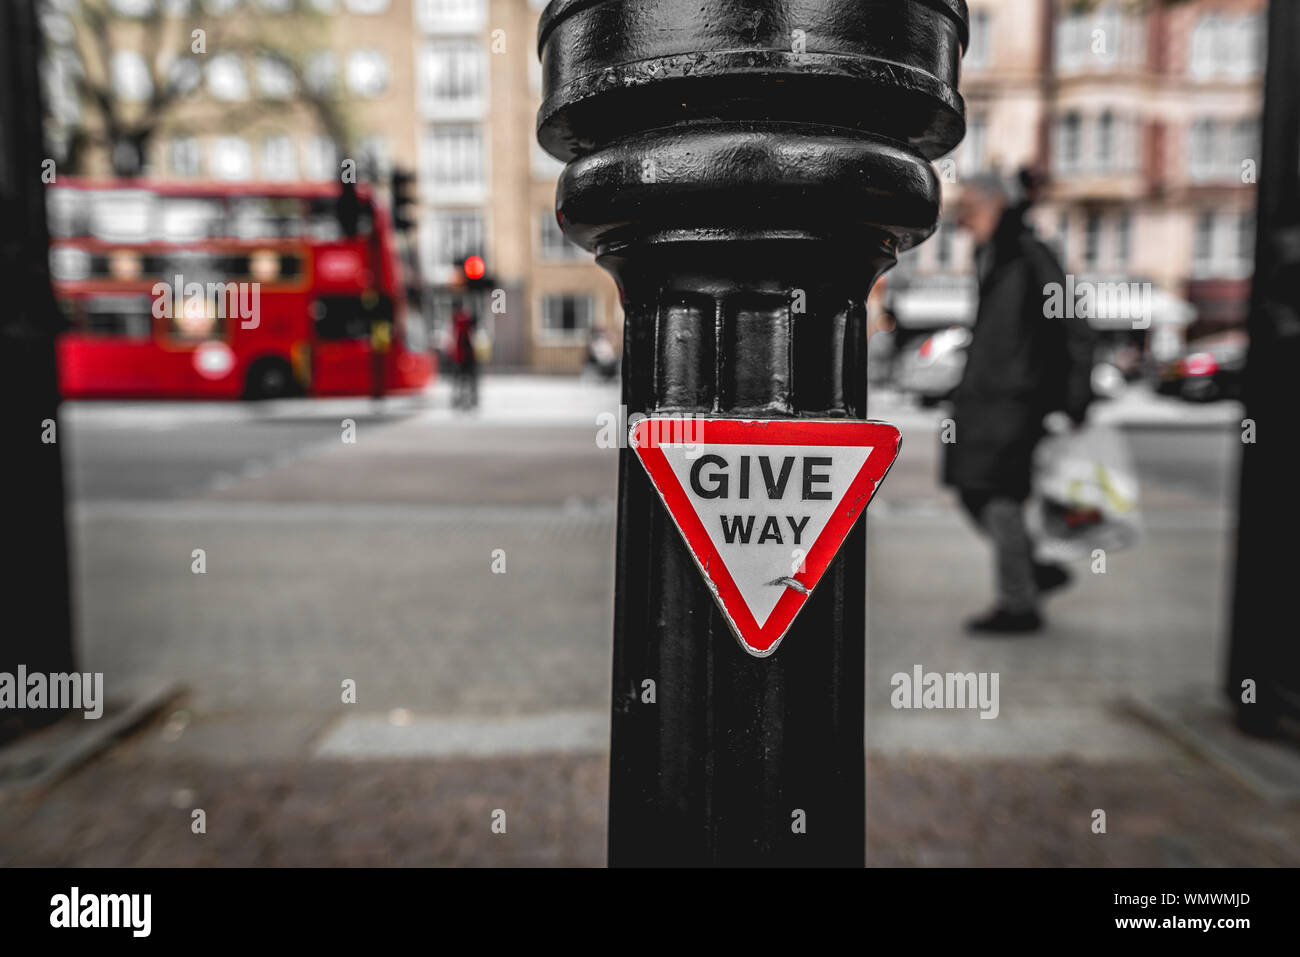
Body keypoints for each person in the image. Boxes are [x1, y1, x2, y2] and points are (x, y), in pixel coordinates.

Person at [944, 170, 1096, 634]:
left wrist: (1073, 400)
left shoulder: (1029, 254)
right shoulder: (993, 255)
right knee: (972, 491)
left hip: (1017, 403)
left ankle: (1018, 604)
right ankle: (1031, 569)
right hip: (983, 403)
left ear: (992, 206)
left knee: (1000, 495)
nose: (963, 220)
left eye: (968, 209)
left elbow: (1073, 327)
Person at [449, 301, 479, 411]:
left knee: (459, 380)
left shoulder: (456, 320)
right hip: (468, 355)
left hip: (460, 356)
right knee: (470, 380)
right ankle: (472, 398)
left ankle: (458, 399)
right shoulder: (465, 319)